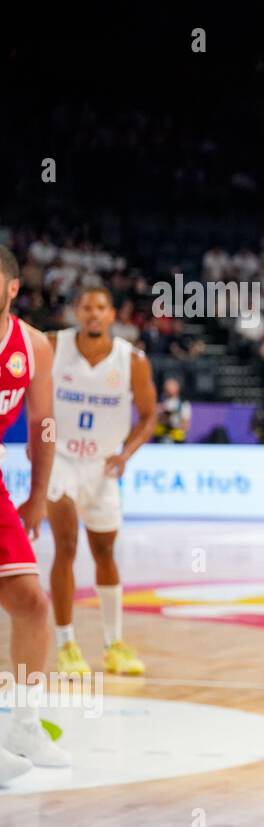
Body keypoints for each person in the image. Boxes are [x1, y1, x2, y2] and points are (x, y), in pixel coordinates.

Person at [47, 287, 158, 677]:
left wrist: (125, 454)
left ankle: (114, 644)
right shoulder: (52, 346)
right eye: (86, 308)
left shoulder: (133, 360)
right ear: (75, 312)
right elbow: (26, 389)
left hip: (102, 465)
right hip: (60, 457)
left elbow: (148, 416)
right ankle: (66, 645)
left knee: (105, 554)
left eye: (100, 308)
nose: (93, 314)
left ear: (112, 314)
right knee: (65, 544)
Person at [0, 246, 67, 782]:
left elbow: (43, 426)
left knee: (31, 601)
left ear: (14, 287)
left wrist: (38, 496)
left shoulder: (33, 345)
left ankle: (23, 722)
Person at [154, 377, 191, 443]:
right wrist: (161, 414)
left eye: (171, 387)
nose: (168, 390)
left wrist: (173, 418)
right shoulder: (159, 403)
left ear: (177, 389)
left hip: (176, 438)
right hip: (160, 437)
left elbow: (186, 424)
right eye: (166, 388)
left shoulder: (183, 404)